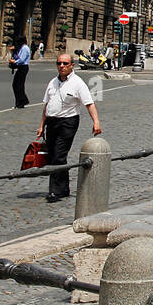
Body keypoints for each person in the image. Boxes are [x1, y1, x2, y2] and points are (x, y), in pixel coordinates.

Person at [36, 54, 101, 202]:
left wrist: (96, 122)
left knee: (59, 154)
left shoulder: (78, 83)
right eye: (59, 63)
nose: (62, 66)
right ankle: (64, 188)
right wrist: (41, 126)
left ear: (72, 65)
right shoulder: (53, 82)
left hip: (68, 122)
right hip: (51, 122)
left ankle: (55, 191)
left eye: (65, 63)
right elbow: (47, 105)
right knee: (54, 155)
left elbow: (89, 103)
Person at [10, 39, 31, 108]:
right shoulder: (21, 48)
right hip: (21, 67)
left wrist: (14, 62)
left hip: (23, 67)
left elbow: (21, 59)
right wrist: (13, 51)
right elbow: (17, 57)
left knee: (18, 85)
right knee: (17, 85)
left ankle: (21, 102)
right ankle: (22, 100)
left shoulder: (24, 48)